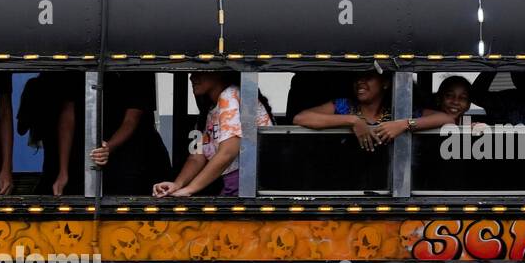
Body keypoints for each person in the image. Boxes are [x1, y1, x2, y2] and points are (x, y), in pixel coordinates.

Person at [152, 71, 272, 198]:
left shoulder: (229, 96)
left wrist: (190, 189)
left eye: (200, 71)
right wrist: (177, 184)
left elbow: (228, 152)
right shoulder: (210, 110)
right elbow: (196, 156)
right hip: (234, 183)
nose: (192, 77)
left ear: (219, 73)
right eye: (192, 72)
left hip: (249, 184)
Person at [293, 70, 453, 150]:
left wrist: (405, 124)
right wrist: (352, 121)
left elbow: (447, 119)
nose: (360, 82)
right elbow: (301, 118)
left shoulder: (399, 110)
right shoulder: (345, 106)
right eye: (357, 78)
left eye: (368, 77)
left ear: (385, 83)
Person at [89, 74, 173, 196]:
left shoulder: (137, 74)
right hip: (106, 158)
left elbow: (131, 120)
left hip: (139, 157)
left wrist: (107, 148)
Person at [19, 72, 86, 196]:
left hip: (58, 156)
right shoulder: (36, 86)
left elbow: (21, 128)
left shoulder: (35, 86)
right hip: (75, 156)